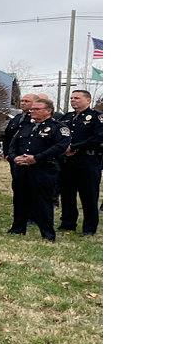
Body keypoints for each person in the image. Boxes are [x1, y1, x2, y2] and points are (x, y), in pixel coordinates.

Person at [6, 98, 70, 241]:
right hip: (21, 168)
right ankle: (17, 229)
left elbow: (60, 146)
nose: (32, 111)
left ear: (48, 111)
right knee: (20, 199)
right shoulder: (26, 126)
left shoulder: (58, 127)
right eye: (32, 109)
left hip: (43, 169)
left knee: (42, 201)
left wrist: (37, 157)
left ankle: (47, 234)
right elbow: (13, 143)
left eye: (36, 109)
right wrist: (13, 157)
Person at [57, 89, 104, 236]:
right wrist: (63, 148)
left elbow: (98, 138)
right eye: (71, 98)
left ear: (88, 100)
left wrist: (75, 147)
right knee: (67, 194)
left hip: (87, 160)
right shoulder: (67, 118)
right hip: (67, 160)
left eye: (77, 98)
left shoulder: (97, 117)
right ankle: (68, 223)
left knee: (89, 195)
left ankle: (89, 228)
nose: (73, 100)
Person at [1, 93, 37, 175]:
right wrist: (7, 154)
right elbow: (7, 136)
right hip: (14, 156)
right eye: (22, 101)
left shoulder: (36, 119)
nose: (23, 103)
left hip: (28, 157)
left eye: (27, 101)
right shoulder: (17, 118)